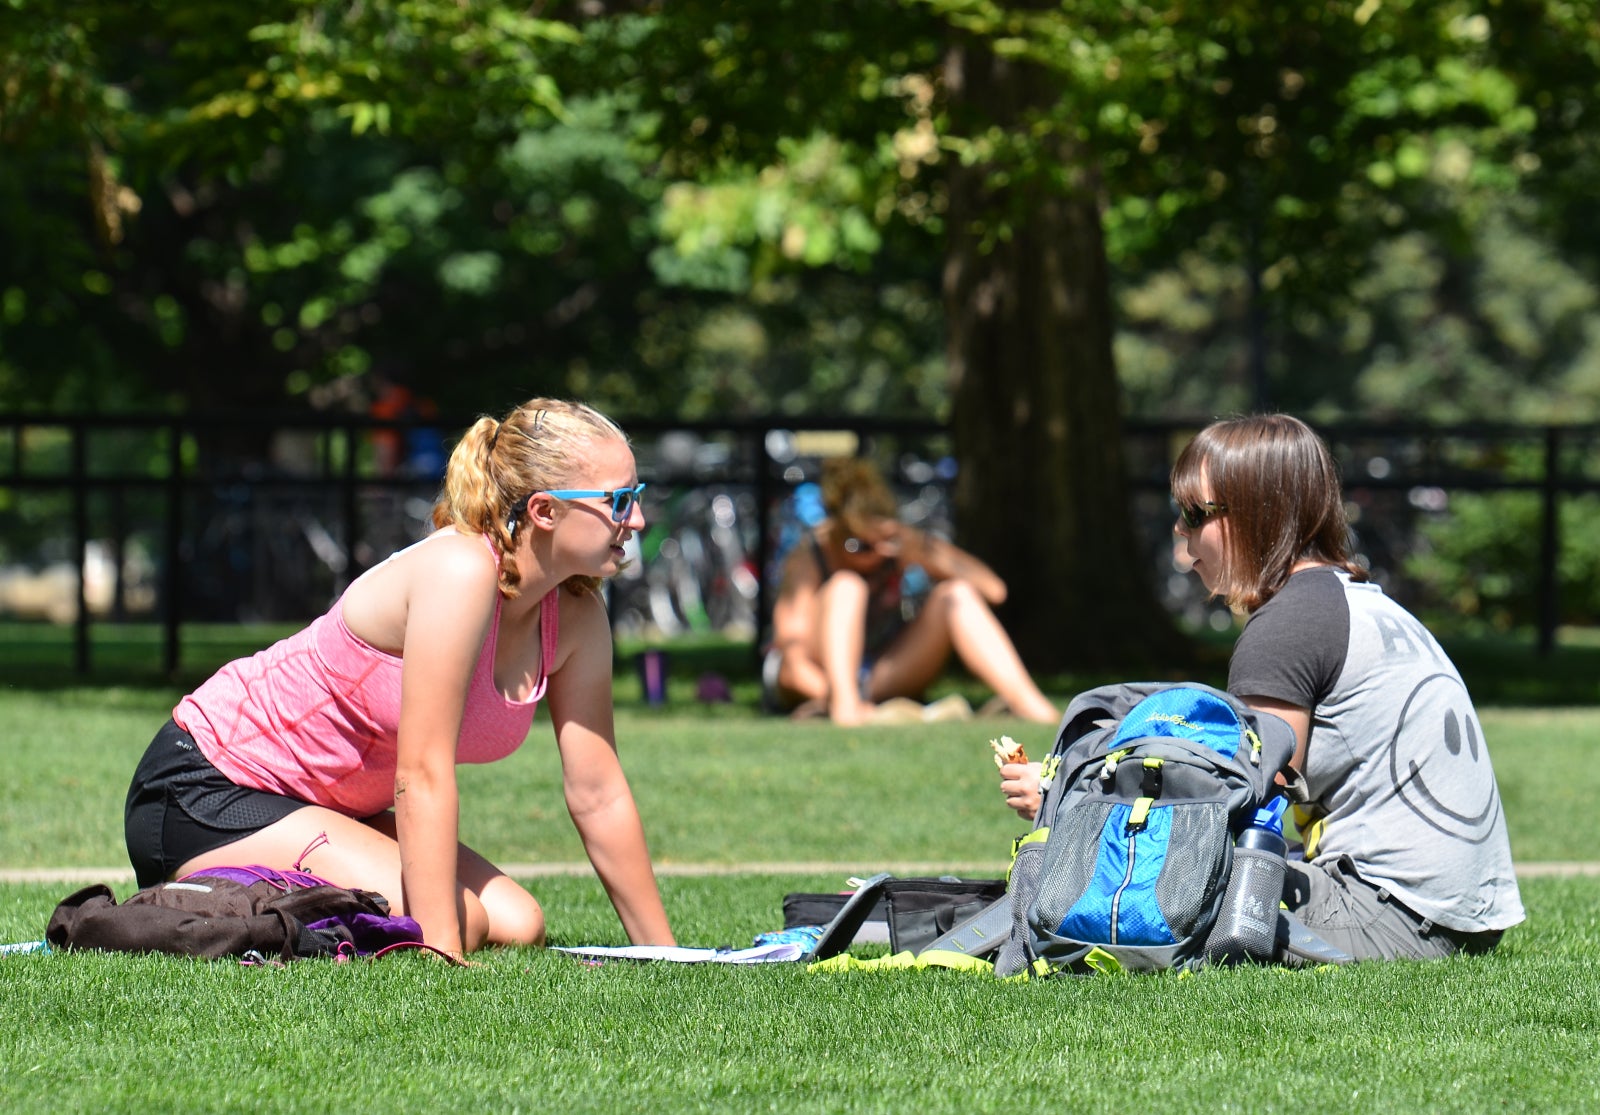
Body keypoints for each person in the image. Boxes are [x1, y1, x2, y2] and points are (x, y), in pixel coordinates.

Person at [125, 399, 675, 960]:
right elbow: (422, 771)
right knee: (467, 922)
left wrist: (666, 956)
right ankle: (202, 899)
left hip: (326, 807)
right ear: (544, 510)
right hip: (205, 791)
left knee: (520, 921)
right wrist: (442, 952)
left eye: (638, 497)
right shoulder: (460, 571)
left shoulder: (576, 618)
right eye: (619, 501)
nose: (637, 520)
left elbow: (598, 791)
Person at [998, 413, 1524, 961]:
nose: (1179, 530)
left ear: (1257, 515)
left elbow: (1236, 807)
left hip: (1390, 917)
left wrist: (1073, 808)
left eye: (1194, 513)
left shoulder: (1287, 625)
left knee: (1144, 899)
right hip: (1457, 918)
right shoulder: (1353, 600)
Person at [765, 457, 1060, 727]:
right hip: (818, 681)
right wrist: (840, 698)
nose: (878, 555)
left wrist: (920, 548)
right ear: (834, 532)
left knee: (956, 594)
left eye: (887, 540)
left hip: (878, 677)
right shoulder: (809, 557)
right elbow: (792, 663)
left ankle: (1033, 707)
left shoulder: (900, 547)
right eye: (862, 546)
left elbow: (994, 590)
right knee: (847, 586)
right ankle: (847, 710)